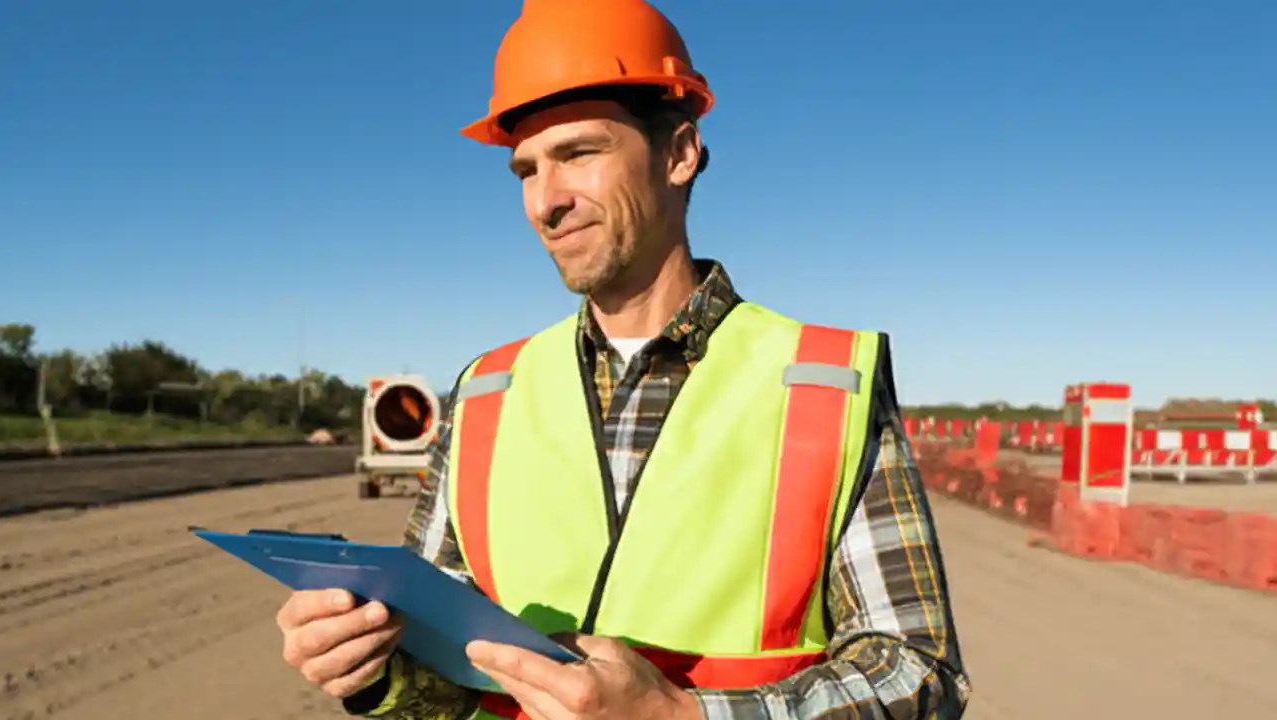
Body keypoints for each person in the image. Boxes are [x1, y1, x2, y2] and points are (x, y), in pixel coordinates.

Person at [273, 1, 971, 718]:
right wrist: (373, 669)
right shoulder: (486, 392)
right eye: (525, 170)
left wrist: (682, 716)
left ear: (679, 153)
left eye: (579, 154)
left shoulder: (822, 383)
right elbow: (447, 670)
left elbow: (916, 675)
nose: (546, 202)